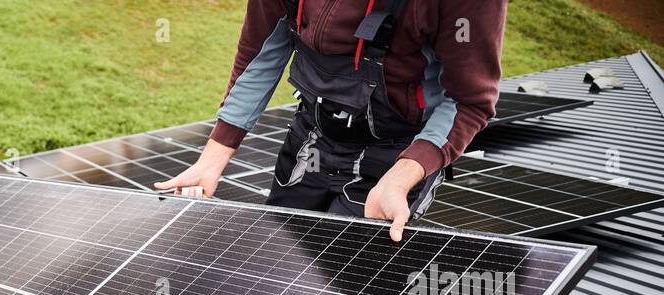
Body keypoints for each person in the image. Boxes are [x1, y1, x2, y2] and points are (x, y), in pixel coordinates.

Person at [157, 0, 505, 240]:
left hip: (395, 155)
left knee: (346, 294)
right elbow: (261, 52)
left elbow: (469, 100)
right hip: (313, 137)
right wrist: (211, 160)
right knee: (277, 262)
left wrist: (401, 178)